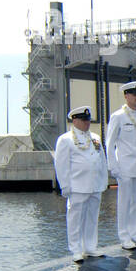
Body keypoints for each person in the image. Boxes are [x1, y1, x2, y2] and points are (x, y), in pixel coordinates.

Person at [54, 106, 108, 262]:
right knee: (75, 218)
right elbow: (61, 165)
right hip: (77, 185)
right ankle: (76, 249)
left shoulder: (95, 138)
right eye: (84, 120)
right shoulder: (66, 139)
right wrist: (65, 186)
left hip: (95, 184)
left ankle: (90, 246)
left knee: (92, 216)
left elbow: (102, 161)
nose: (87, 123)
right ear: (75, 120)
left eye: (88, 120)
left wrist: (104, 180)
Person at [104, 81, 136, 250]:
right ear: (126, 96)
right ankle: (124, 236)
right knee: (125, 201)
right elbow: (109, 143)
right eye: (133, 94)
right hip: (125, 164)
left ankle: (135, 233)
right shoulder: (118, 116)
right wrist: (113, 166)